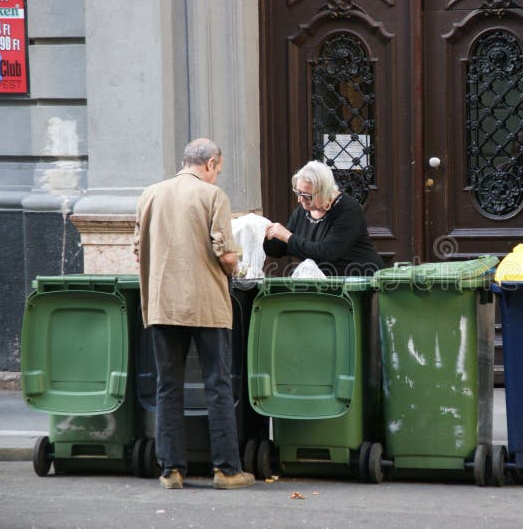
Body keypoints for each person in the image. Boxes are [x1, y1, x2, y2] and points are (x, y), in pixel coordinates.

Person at [133, 138, 254, 490]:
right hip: (206, 306)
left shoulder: (150, 194)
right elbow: (226, 255)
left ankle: (171, 470)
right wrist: (239, 264)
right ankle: (227, 470)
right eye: (219, 168)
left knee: (167, 387)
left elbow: (138, 252)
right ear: (211, 163)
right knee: (217, 385)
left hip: (162, 304)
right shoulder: (212, 196)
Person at [263, 160, 384, 276]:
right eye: (298, 193)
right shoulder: (303, 211)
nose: (299, 200)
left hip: (360, 283)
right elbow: (282, 248)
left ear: (324, 191)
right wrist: (265, 235)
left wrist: (286, 236)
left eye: (306, 195)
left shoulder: (348, 209)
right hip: (325, 287)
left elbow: (326, 253)